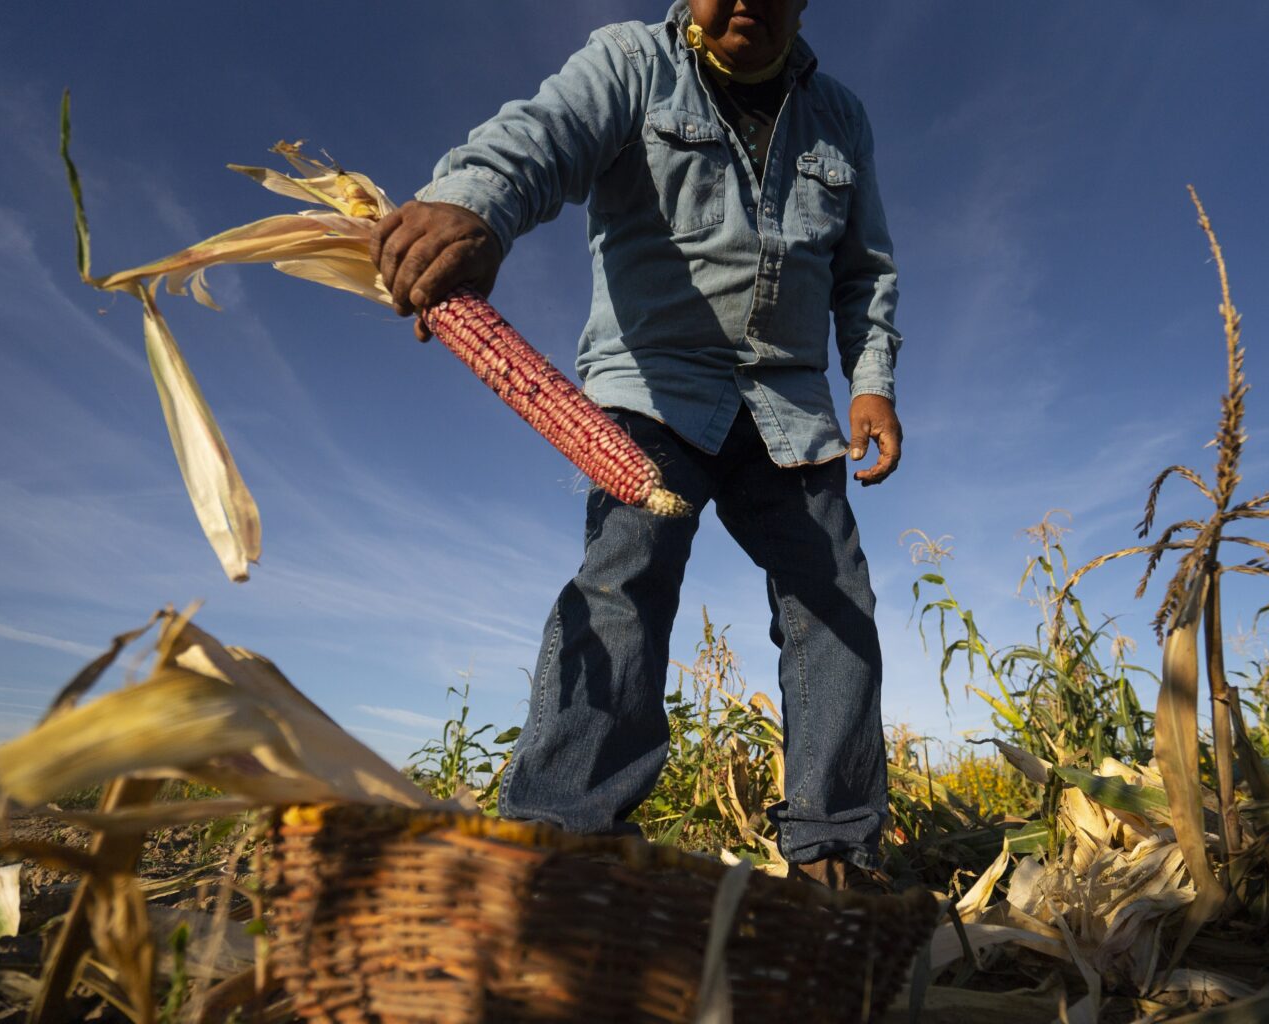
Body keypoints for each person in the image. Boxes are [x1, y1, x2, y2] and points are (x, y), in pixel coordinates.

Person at [370, 0, 903, 889]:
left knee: (836, 602)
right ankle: (562, 844)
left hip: (788, 401)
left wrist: (873, 380)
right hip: (653, 386)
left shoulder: (839, 116)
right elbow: (543, 136)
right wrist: (475, 208)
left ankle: (836, 851)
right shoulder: (629, 63)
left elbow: (865, 270)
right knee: (627, 574)